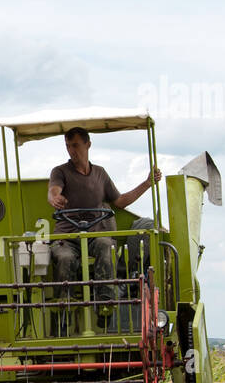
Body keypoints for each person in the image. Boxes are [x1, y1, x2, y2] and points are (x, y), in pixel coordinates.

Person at [47, 127, 161, 310]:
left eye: (75, 145)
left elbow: (121, 201)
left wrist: (148, 183)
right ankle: (63, 308)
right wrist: (54, 198)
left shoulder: (100, 174)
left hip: (94, 235)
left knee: (106, 246)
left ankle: (105, 304)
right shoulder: (60, 172)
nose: (71, 150)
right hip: (67, 238)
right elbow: (53, 191)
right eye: (68, 146)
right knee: (64, 257)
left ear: (88, 144)